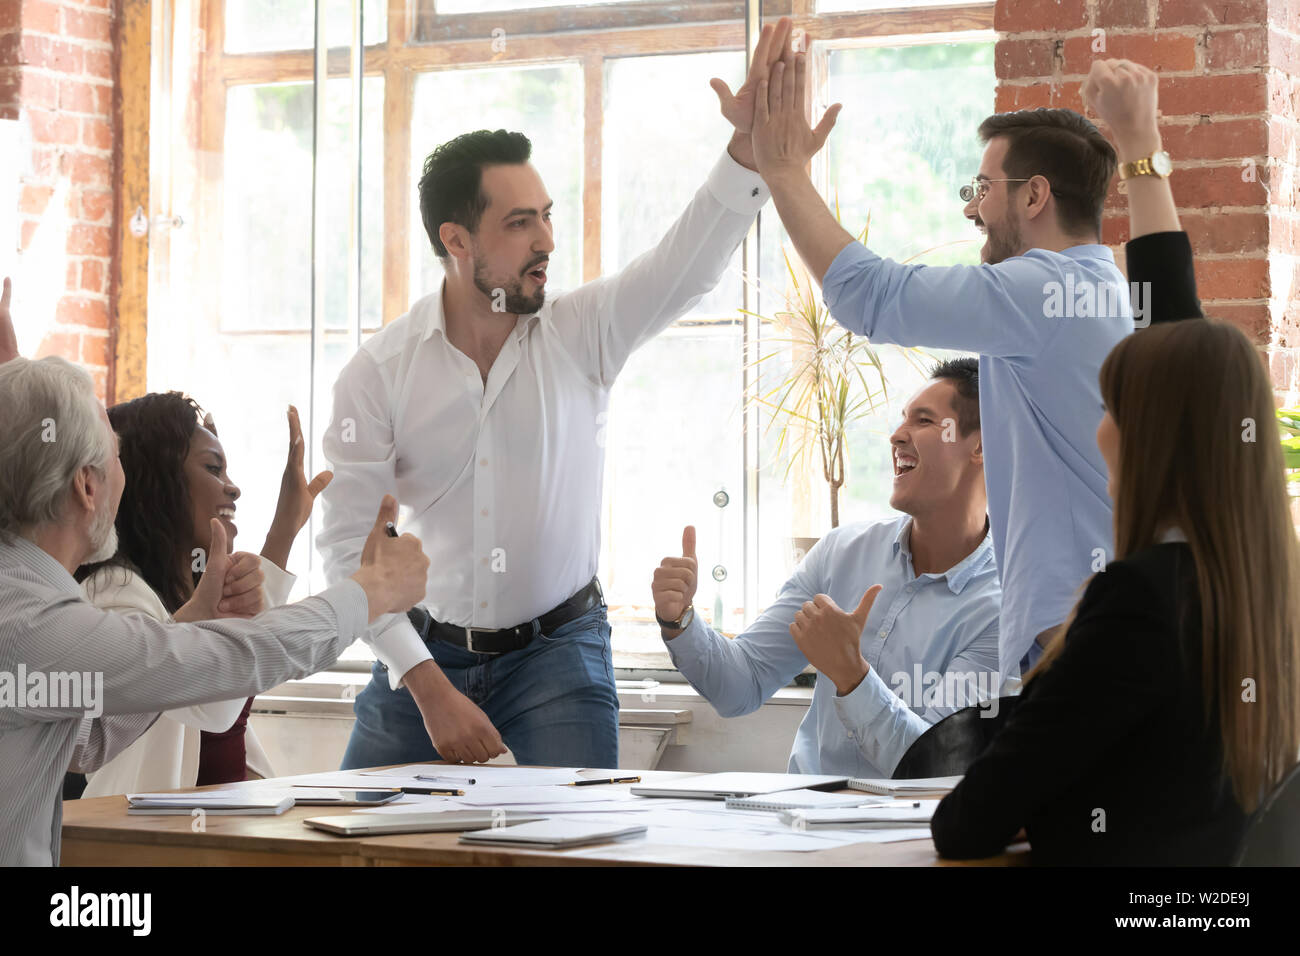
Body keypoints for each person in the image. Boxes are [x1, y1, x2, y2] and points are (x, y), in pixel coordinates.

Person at [320, 19, 801, 768]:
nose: (545, 239)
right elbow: (348, 551)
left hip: (558, 657)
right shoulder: (378, 373)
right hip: (419, 660)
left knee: (573, 853)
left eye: (546, 216)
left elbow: (686, 265)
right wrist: (427, 687)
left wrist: (745, 153)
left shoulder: (583, 333)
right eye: (519, 223)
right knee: (346, 847)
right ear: (457, 241)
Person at [746, 45, 1133, 678]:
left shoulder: (1040, 291)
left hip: (1080, 643)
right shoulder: (1100, 287)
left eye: (983, 188)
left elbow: (871, 296)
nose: (971, 209)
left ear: (1035, 196)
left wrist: (783, 170)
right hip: (1090, 631)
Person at [0, 354, 428, 865]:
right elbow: (228, 661)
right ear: (87, 486)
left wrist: (188, 622)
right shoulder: (34, 620)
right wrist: (372, 590)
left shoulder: (30, 606)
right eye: (116, 457)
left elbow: (87, 736)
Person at [929, 317, 1298, 864]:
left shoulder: (1141, 599)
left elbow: (969, 820)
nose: (1097, 432)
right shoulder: (1270, 594)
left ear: (1153, 437)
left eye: (1109, 411)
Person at [652, 359, 1001, 777]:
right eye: (902, 419)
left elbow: (933, 767)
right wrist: (680, 622)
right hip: (804, 819)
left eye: (923, 420)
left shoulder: (1001, 607)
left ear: (979, 446)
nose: (896, 435)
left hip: (907, 833)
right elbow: (740, 685)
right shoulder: (842, 552)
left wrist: (851, 674)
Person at [76, 396, 331, 796]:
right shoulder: (114, 595)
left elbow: (233, 701)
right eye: (213, 468)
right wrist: (282, 532)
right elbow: (213, 697)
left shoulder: (177, 594)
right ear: (157, 482)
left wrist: (285, 529)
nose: (234, 488)